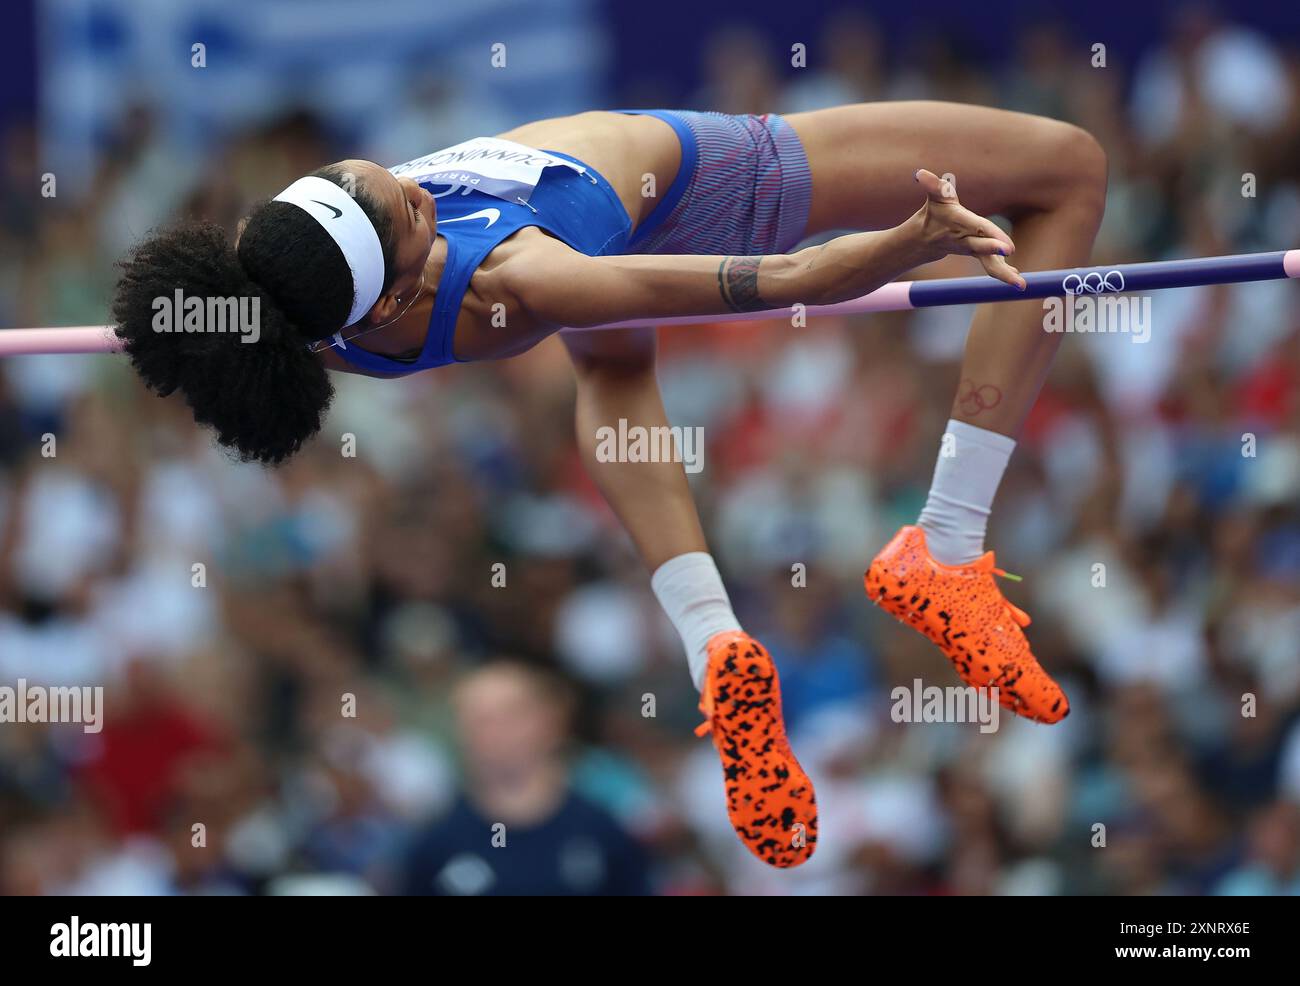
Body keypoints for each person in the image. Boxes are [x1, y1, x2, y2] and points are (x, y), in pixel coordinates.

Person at [112, 104, 1108, 868]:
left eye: (371, 177)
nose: (411, 186)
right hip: (705, 182)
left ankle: (714, 638)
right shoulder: (523, 274)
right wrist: (904, 243)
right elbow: (787, 283)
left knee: (616, 369)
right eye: (414, 209)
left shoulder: (288, 287)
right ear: (407, 281)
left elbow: (184, 336)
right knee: (1068, 167)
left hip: (576, 253)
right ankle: (942, 543)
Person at [401, 661, 651, 896]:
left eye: (510, 715)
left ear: (550, 722)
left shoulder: (600, 831)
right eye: (478, 719)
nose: (494, 732)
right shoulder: (437, 842)